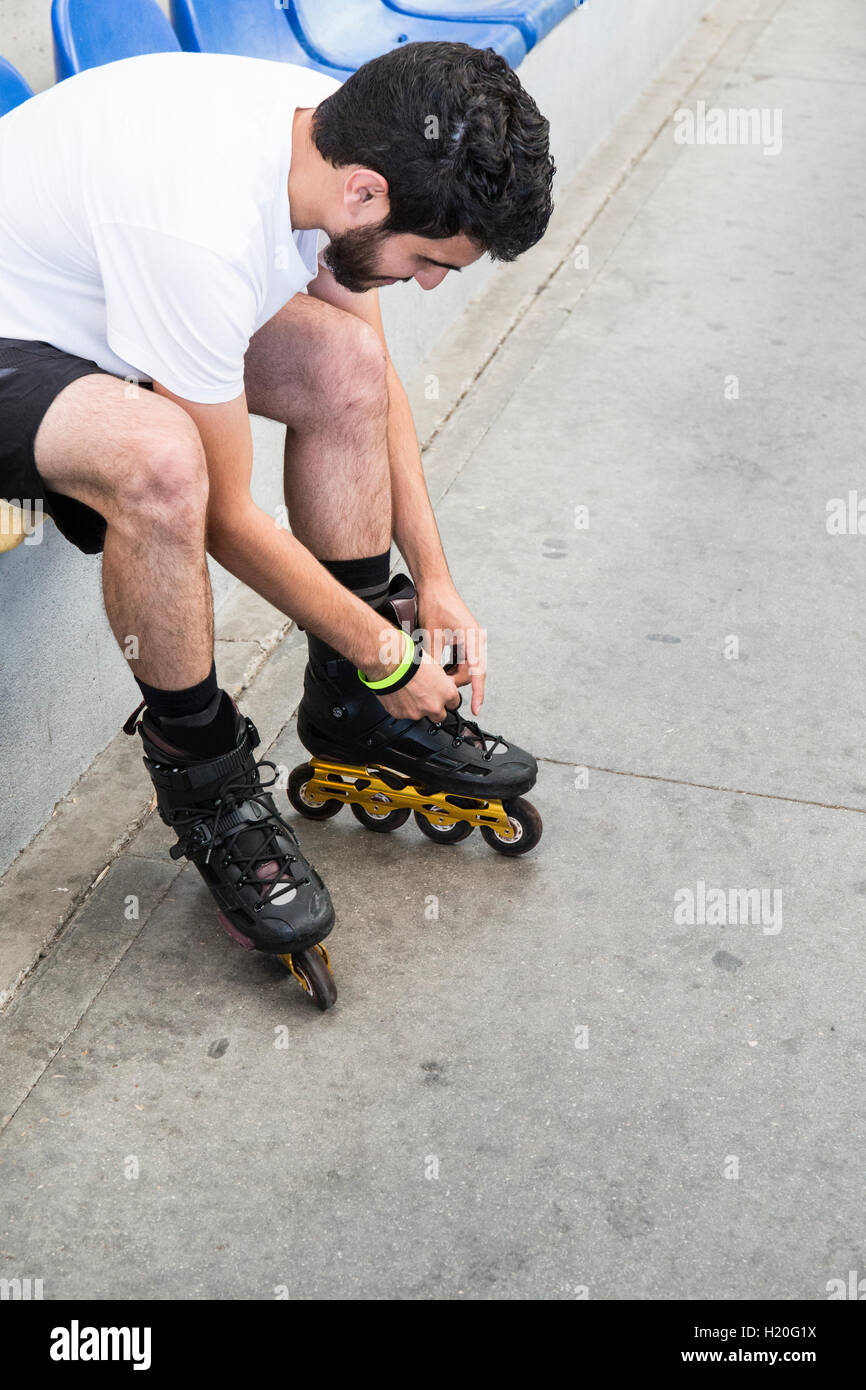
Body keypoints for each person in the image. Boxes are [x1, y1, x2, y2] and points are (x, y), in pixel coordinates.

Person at [0, 41, 553, 988]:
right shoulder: (200, 224)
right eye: (429, 261)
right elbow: (224, 518)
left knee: (345, 364)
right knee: (163, 463)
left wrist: (437, 585)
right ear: (368, 198)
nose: (426, 282)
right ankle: (206, 784)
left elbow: (371, 388)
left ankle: (349, 712)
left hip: (102, 303)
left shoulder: (337, 135)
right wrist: (392, 655)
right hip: (17, 331)